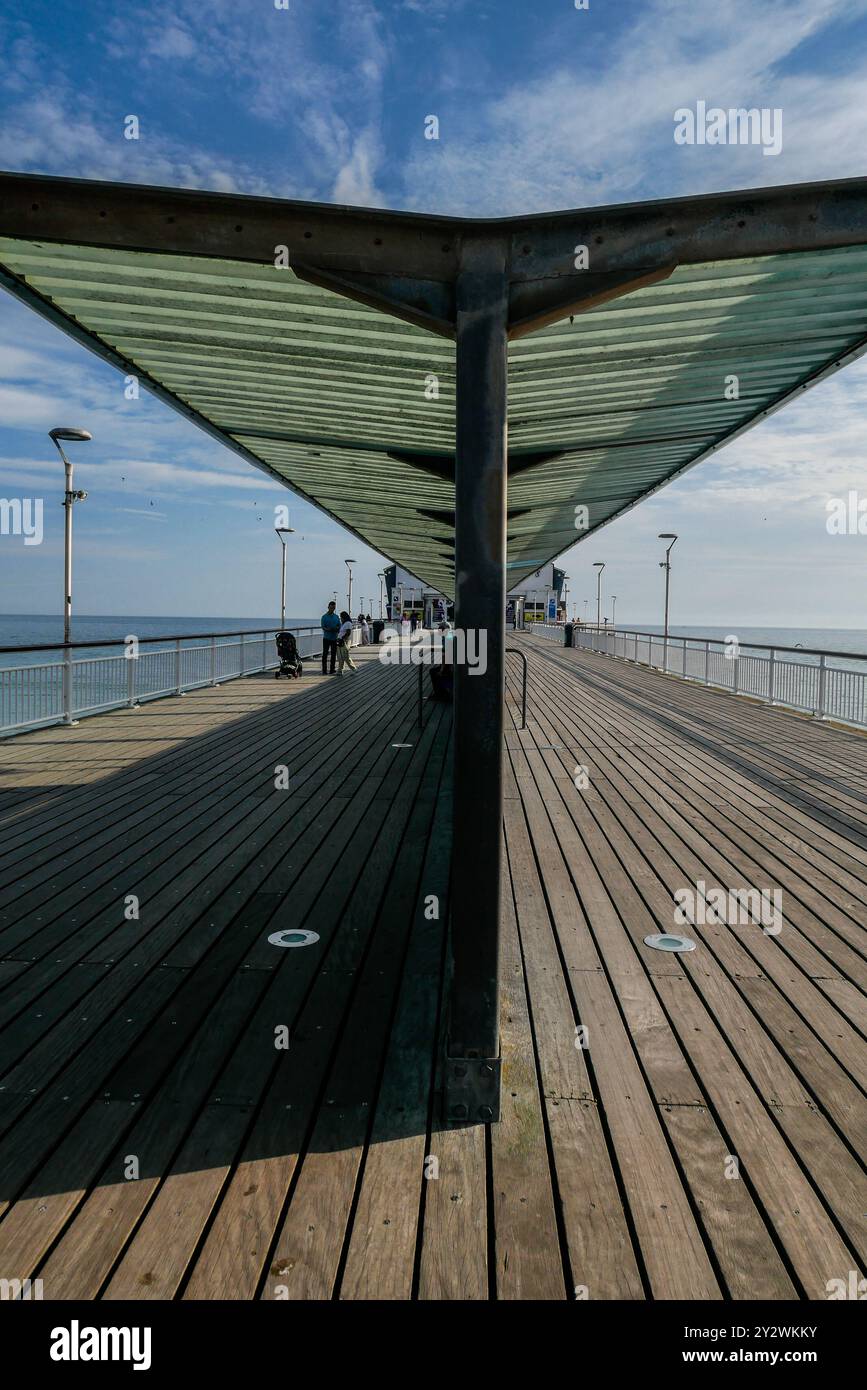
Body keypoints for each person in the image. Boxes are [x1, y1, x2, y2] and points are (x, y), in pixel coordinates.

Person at [320, 600, 341, 674]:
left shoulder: (336, 617)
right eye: (331, 608)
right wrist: (329, 629)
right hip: (326, 638)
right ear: (328, 607)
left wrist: (337, 628)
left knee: (333, 654)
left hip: (334, 638)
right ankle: (324, 670)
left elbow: (339, 625)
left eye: (334, 608)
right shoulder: (324, 617)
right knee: (325, 654)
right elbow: (323, 627)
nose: (332, 609)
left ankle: (332, 669)